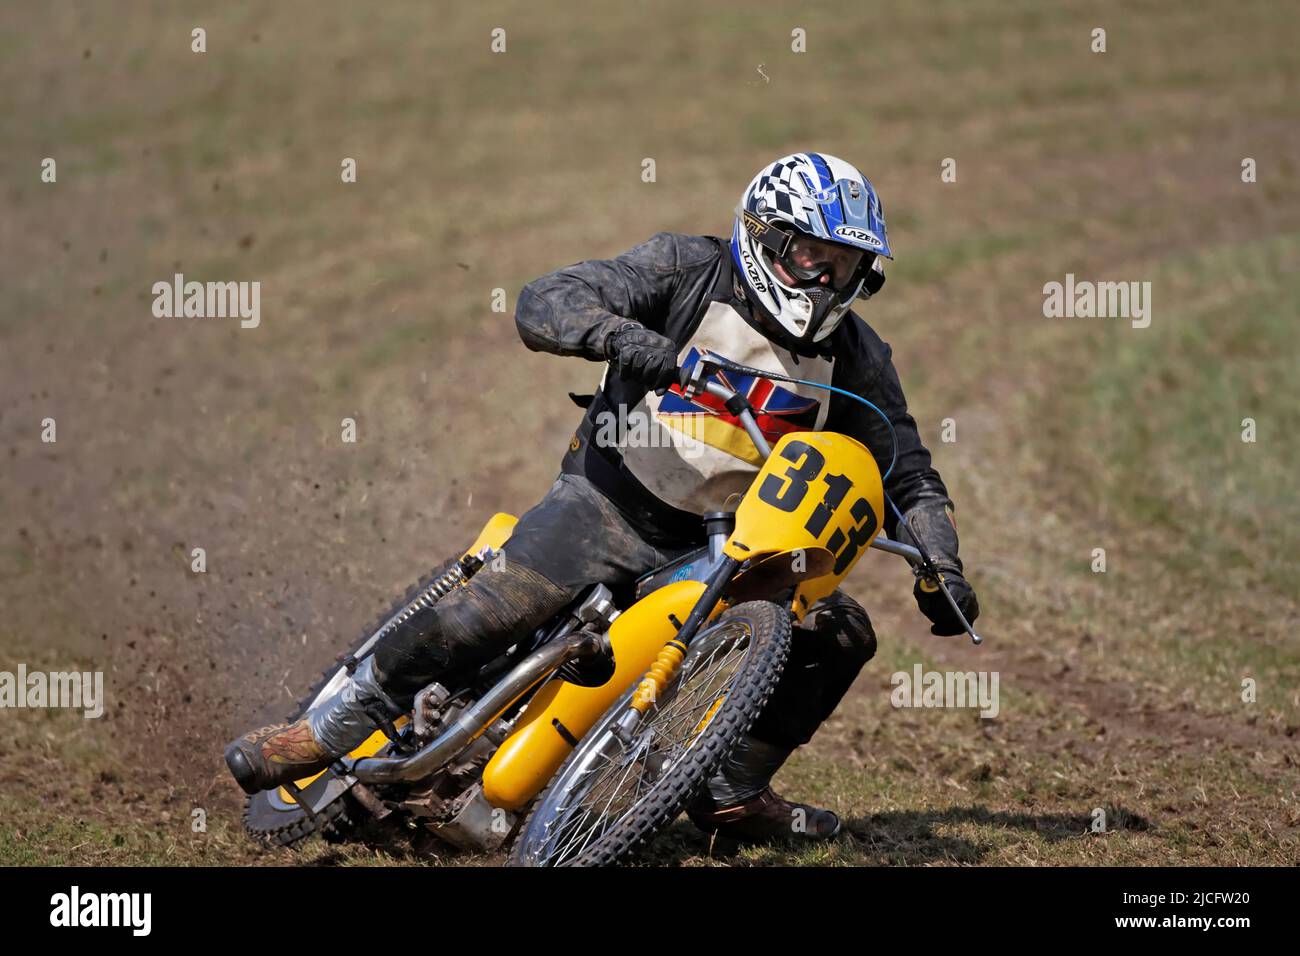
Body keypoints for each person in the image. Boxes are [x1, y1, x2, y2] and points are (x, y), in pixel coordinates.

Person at [226, 152, 980, 843]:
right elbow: (547, 299)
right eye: (812, 255)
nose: (824, 279)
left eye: (844, 266)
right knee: (490, 611)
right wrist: (620, 337)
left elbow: (905, 470)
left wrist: (939, 562)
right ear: (764, 237)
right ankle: (325, 733)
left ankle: (732, 792)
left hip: (730, 547)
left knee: (840, 634)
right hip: (607, 506)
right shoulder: (687, 268)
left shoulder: (856, 358)